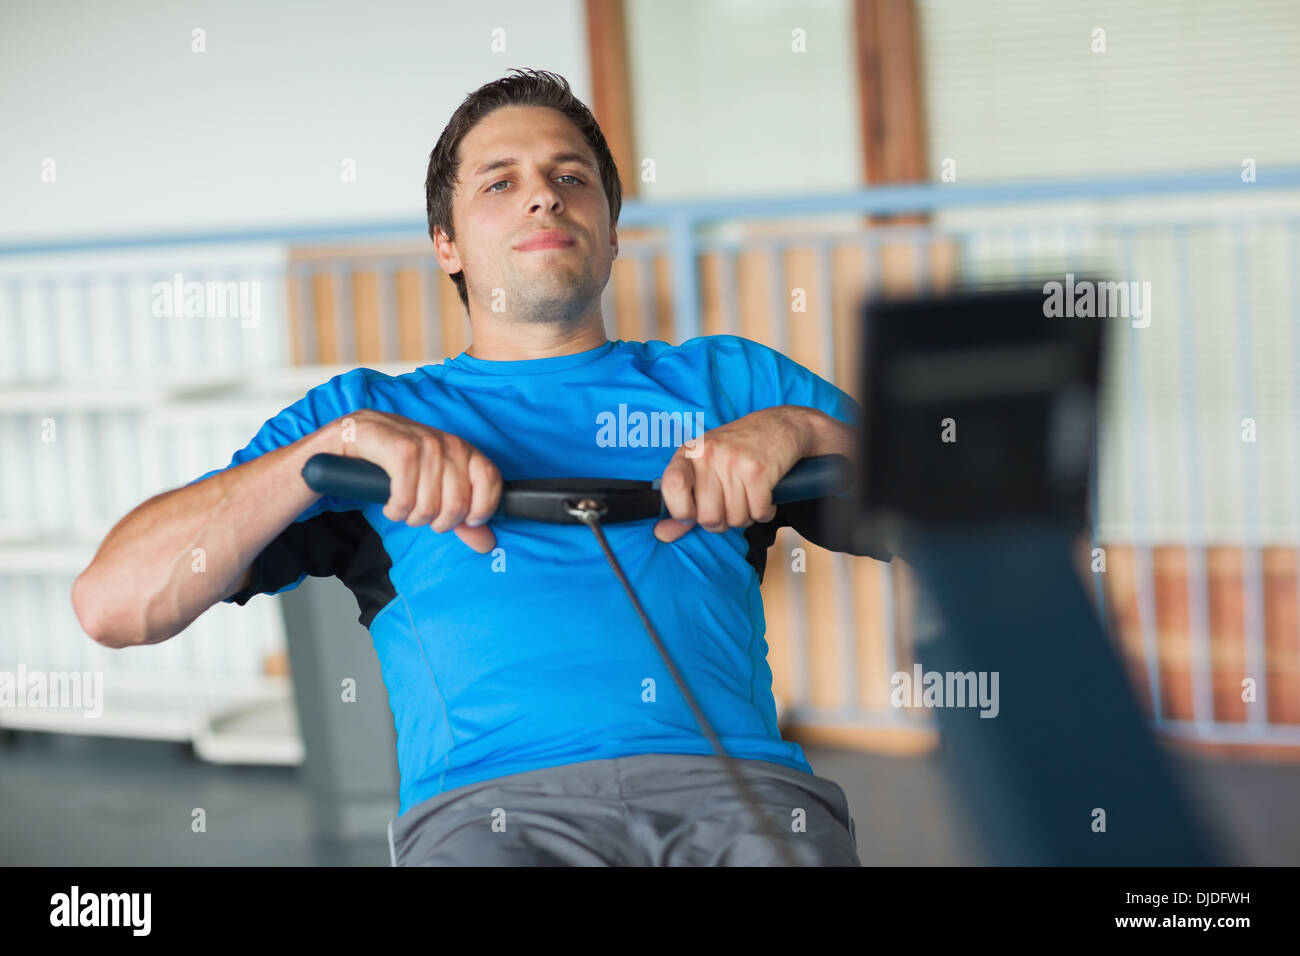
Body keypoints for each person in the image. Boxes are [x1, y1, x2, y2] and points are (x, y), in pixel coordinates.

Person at [72, 68, 865, 866]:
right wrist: (325, 453)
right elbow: (113, 605)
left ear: (613, 228)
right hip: (490, 815)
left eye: (570, 177)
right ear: (445, 244)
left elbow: (973, 496)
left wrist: (804, 431)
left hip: (738, 798)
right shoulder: (366, 418)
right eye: (500, 182)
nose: (544, 197)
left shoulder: (735, 386)